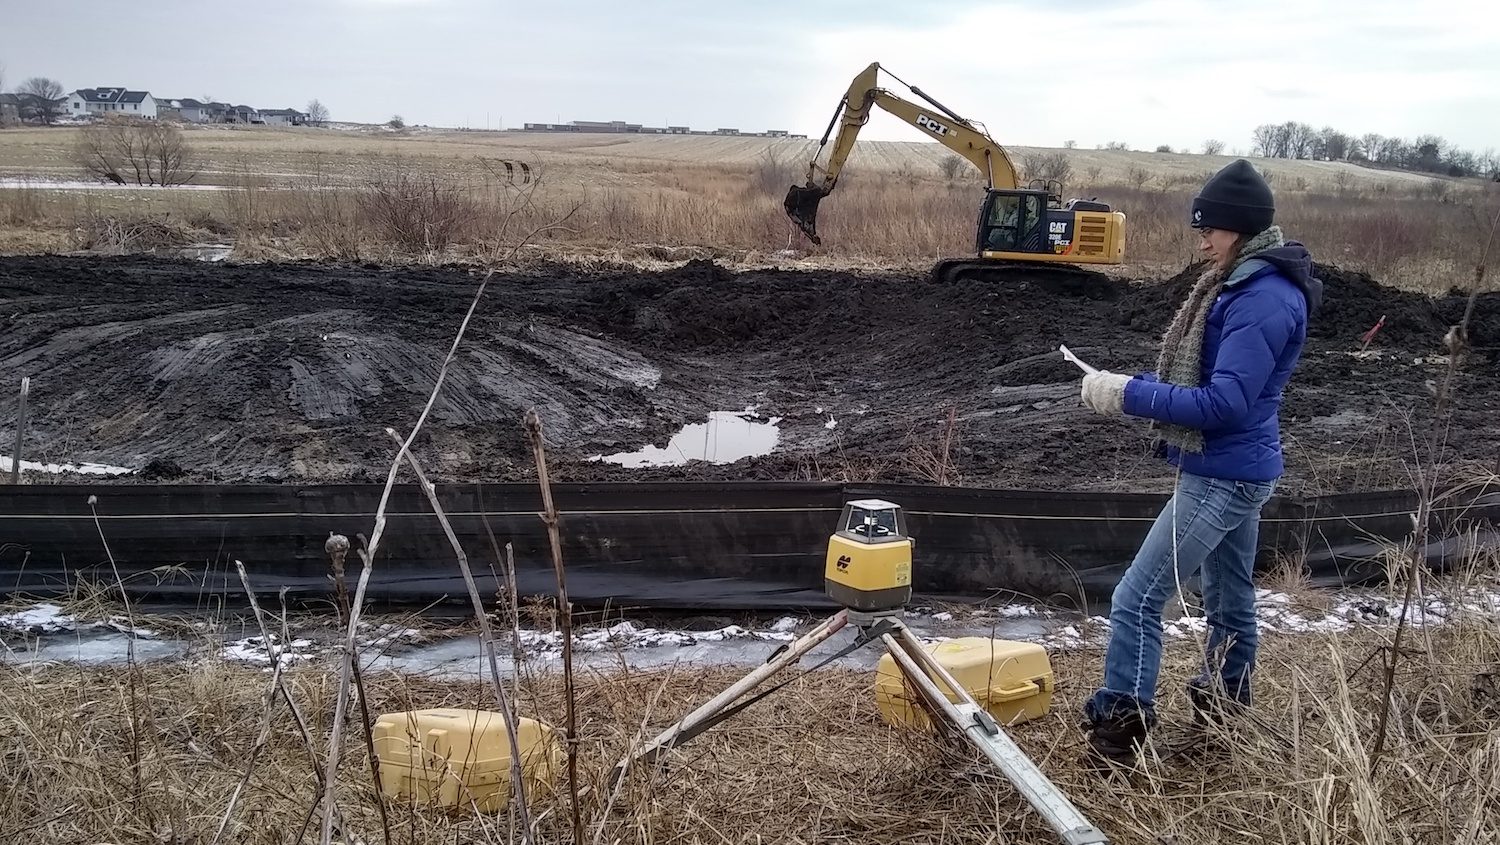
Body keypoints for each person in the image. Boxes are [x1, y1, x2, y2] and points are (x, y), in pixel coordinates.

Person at [1074, 159, 1323, 768]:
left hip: (1223, 473)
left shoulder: (1260, 297)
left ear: (1238, 229)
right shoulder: (1243, 283)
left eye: (1209, 228)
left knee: (1135, 598)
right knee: (1229, 594)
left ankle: (1120, 732)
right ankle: (1223, 717)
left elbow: (1225, 402)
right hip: (1240, 469)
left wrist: (1126, 393)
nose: (1201, 239)